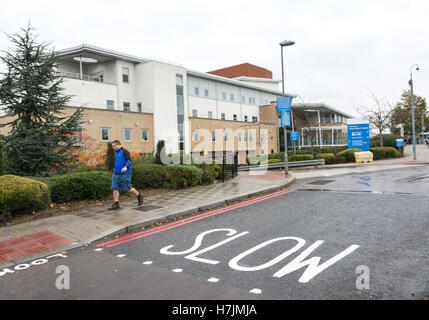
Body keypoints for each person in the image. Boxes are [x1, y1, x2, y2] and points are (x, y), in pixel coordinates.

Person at [108, 140, 143, 210]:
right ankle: (116, 203)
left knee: (128, 189)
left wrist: (125, 167)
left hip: (125, 174)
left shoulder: (125, 151)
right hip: (116, 174)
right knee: (114, 188)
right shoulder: (116, 153)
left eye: (114, 146)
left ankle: (139, 195)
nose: (113, 148)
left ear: (118, 145)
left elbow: (129, 160)